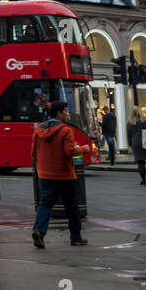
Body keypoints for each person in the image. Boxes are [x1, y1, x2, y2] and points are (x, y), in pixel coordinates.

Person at [30, 100, 87, 248]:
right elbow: (70, 151)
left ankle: (39, 230)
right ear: (59, 113)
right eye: (66, 112)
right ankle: (76, 237)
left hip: (44, 173)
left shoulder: (38, 130)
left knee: (45, 204)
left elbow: (33, 153)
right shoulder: (65, 130)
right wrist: (84, 149)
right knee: (72, 206)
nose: (68, 114)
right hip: (64, 174)